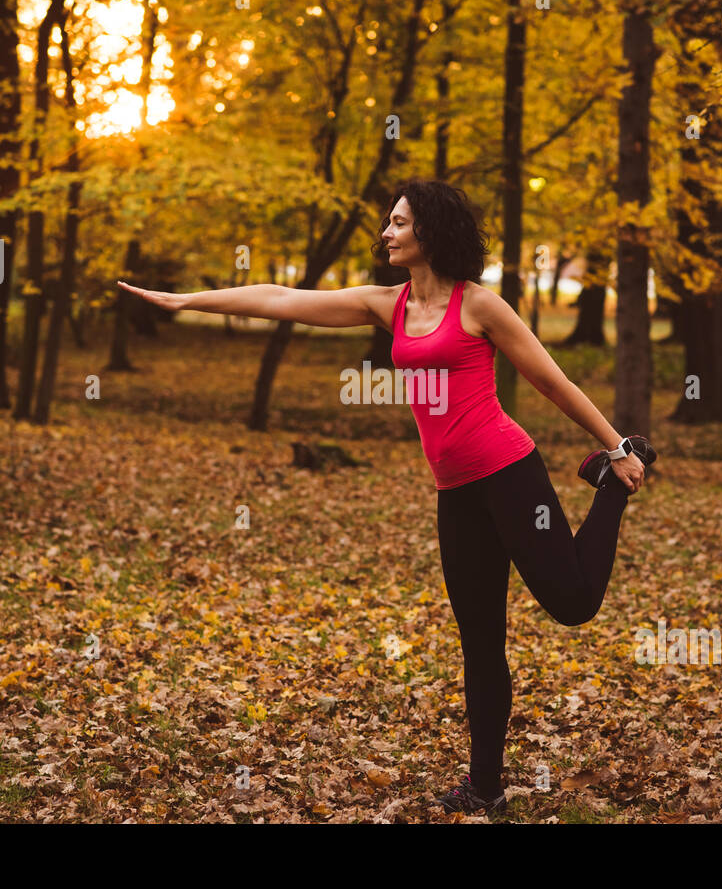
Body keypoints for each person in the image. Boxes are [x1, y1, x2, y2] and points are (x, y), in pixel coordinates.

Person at [119, 178, 655, 820]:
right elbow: (283, 298)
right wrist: (186, 300)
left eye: (398, 222)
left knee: (572, 605)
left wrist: (618, 446)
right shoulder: (386, 305)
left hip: (509, 471)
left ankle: (606, 485)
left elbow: (551, 381)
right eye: (388, 222)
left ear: (429, 230)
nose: (387, 232)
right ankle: (485, 786)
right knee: (481, 642)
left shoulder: (479, 306)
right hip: (454, 493)